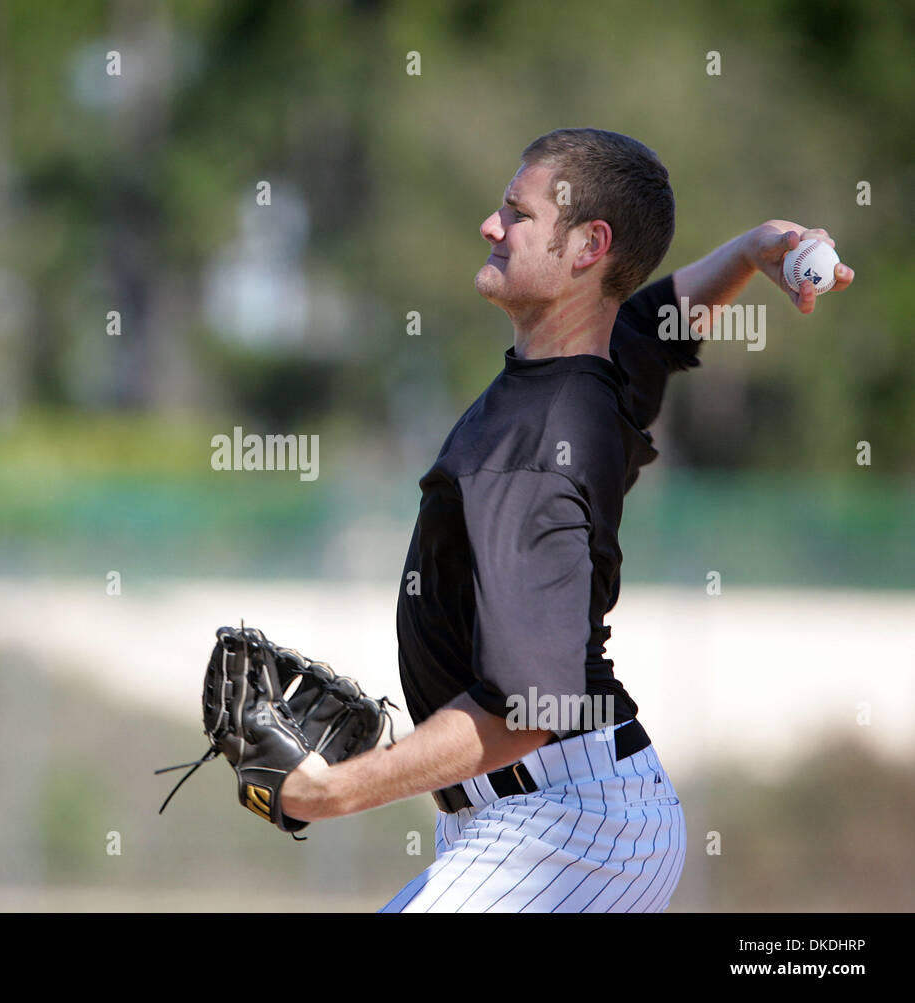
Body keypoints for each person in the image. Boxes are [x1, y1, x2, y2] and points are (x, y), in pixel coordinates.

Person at [279, 127, 853, 912]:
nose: (491, 224)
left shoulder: (534, 455)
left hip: (562, 827)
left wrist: (335, 791)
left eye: (516, 212)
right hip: (546, 818)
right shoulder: (593, 373)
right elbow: (662, 321)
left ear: (589, 247)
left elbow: (525, 712)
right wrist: (754, 251)